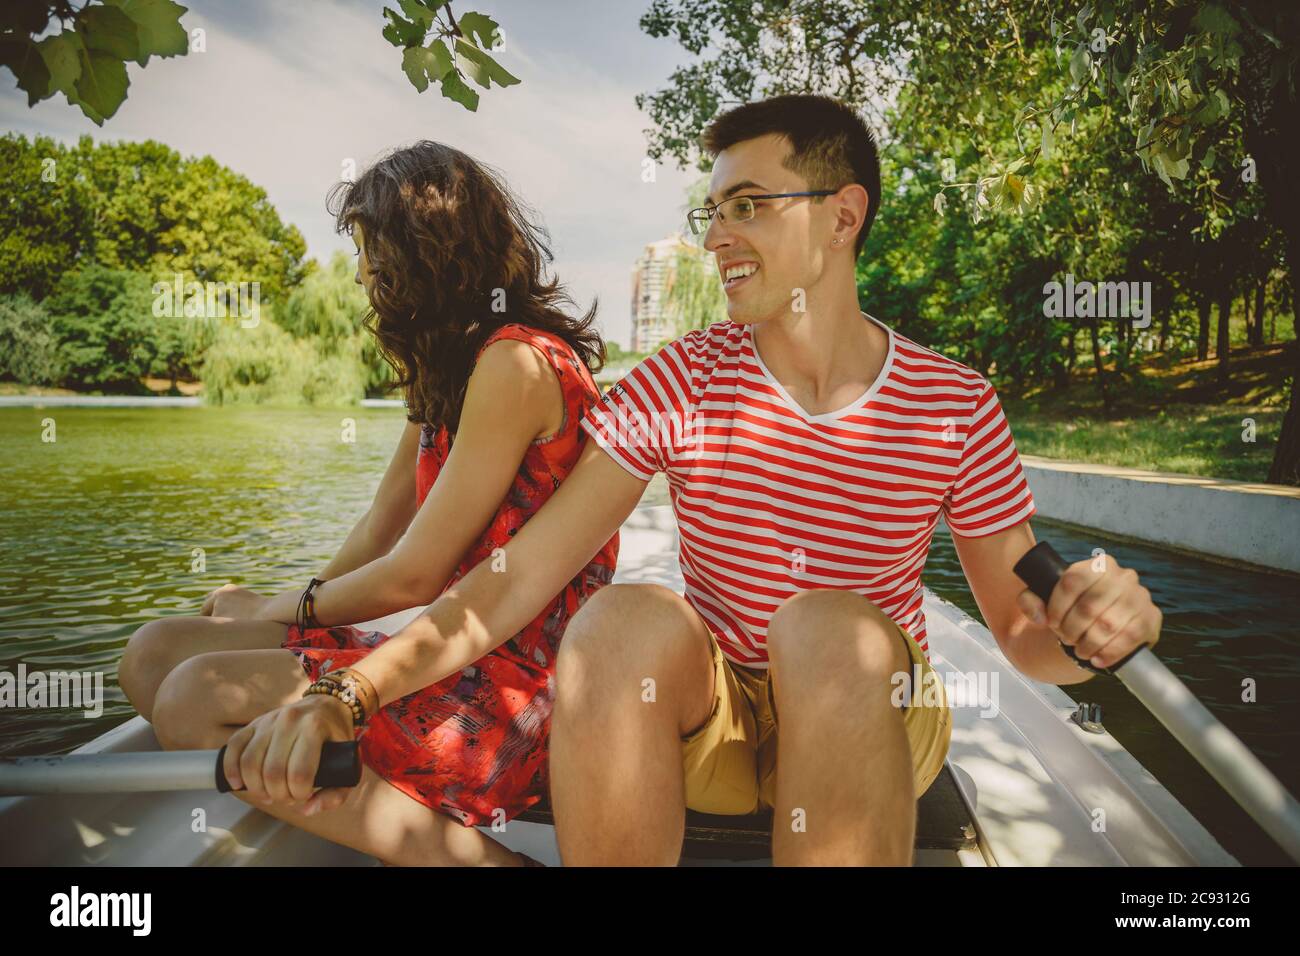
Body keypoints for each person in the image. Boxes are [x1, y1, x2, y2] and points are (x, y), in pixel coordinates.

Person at [222, 95, 1163, 866]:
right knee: (617, 620)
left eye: (747, 204)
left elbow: (1022, 640)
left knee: (825, 626)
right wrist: (348, 693)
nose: (717, 235)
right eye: (711, 210)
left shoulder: (952, 402)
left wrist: (1095, 634)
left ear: (844, 215)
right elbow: (504, 587)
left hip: (869, 710)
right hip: (720, 725)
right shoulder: (678, 381)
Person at [117, 141, 618, 867]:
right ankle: (350, 798)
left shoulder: (515, 363)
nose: (361, 273)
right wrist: (285, 607)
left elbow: (413, 577)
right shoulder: (451, 368)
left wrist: (264, 612)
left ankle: (473, 861)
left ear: (426, 253)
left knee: (195, 697)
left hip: (513, 698)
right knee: (151, 654)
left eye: (372, 251)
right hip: (443, 661)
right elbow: (383, 530)